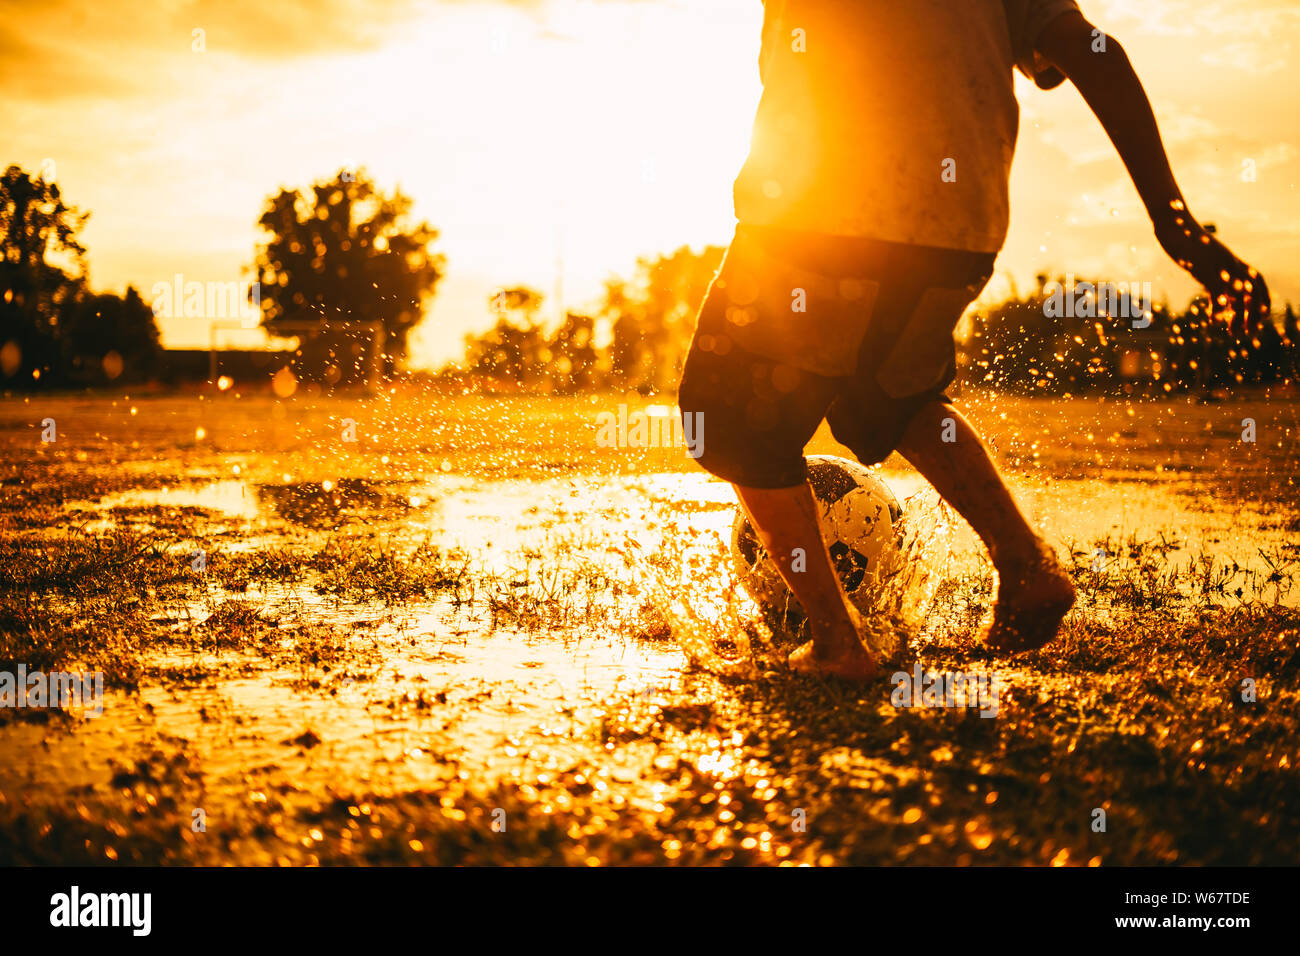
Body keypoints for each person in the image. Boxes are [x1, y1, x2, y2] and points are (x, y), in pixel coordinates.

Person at [678, 0, 1271, 680]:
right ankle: (1025, 565)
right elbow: (1090, 51)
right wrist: (1174, 221)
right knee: (889, 393)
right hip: (959, 223)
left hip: (822, 207)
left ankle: (839, 644)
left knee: (726, 419)